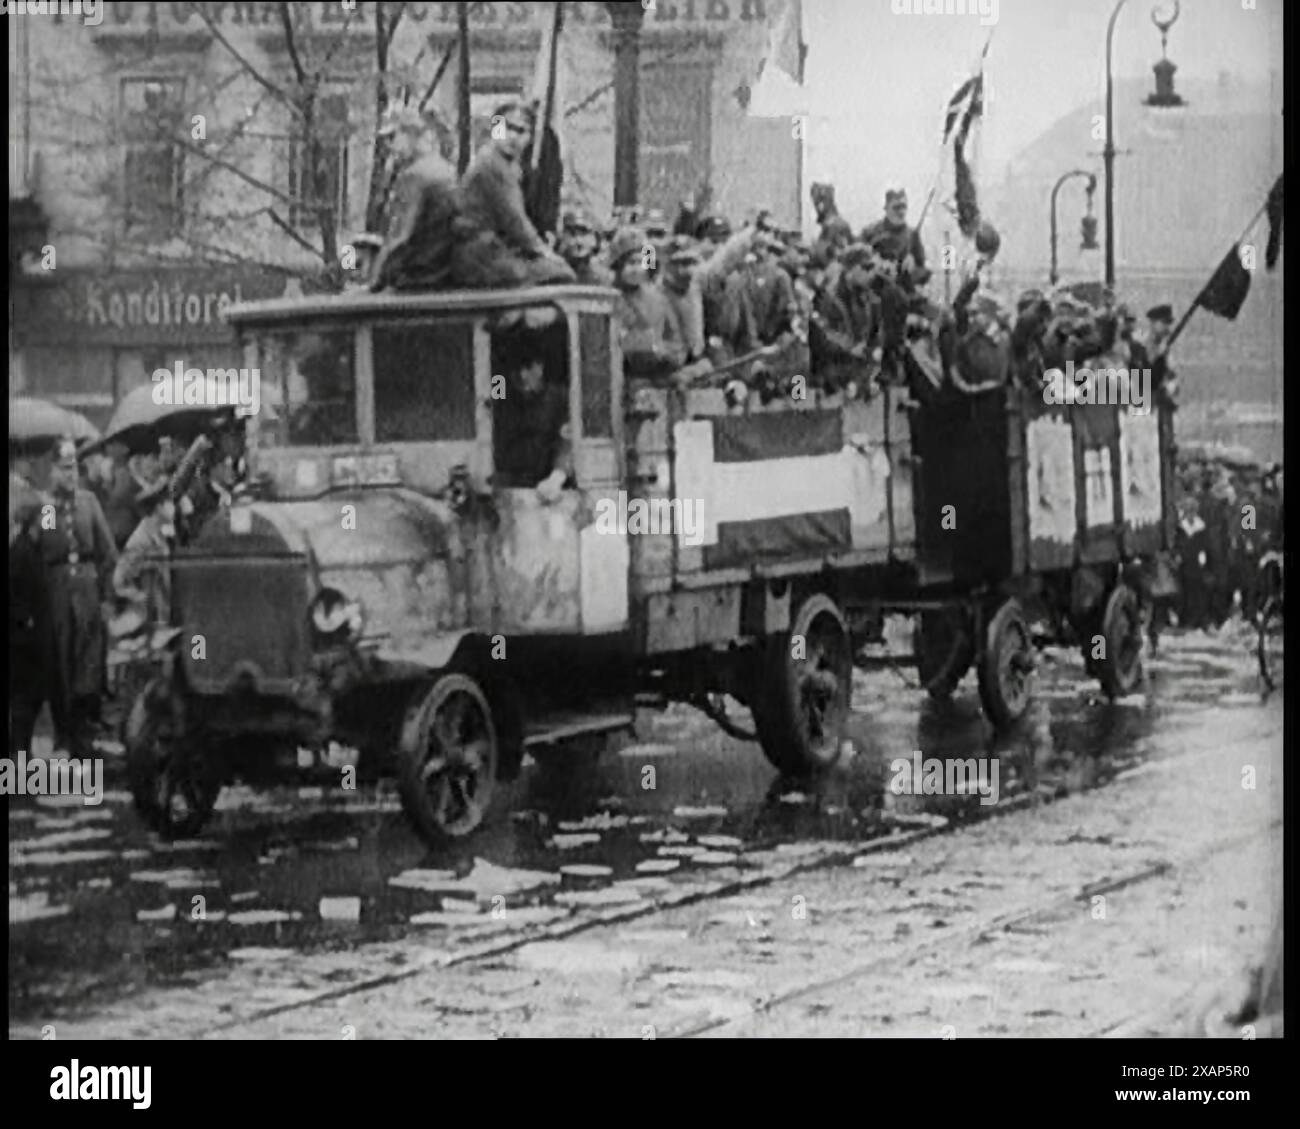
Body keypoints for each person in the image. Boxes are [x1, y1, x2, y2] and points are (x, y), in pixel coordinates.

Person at [25, 438, 117, 756]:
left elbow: (107, 553)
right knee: (59, 663)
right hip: (57, 594)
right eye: (64, 469)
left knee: (88, 665)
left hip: (88, 593)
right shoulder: (46, 507)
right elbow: (39, 552)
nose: (71, 475)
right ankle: (64, 732)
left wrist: (106, 598)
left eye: (74, 467)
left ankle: (84, 733)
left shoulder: (89, 502)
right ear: (52, 471)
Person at [459, 101, 575, 285]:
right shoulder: (492, 164)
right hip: (481, 254)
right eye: (507, 128)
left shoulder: (510, 165)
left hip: (495, 250)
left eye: (521, 131)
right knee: (560, 272)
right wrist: (542, 250)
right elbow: (514, 219)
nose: (512, 137)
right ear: (496, 128)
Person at [609, 226, 687, 378]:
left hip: (654, 375)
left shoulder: (659, 298)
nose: (636, 269)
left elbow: (676, 343)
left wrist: (663, 351)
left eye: (641, 262)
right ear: (618, 266)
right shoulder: (608, 298)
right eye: (631, 262)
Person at [493, 353, 571, 503]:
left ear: (540, 368)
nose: (523, 376)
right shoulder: (502, 394)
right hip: (514, 485)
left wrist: (558, 476)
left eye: (528, 368)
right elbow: (498, 438)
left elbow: (568, 440)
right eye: (517, 371)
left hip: (552, 487)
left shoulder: (558, 397)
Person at [113, 477, 174, 626]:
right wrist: (140, 598)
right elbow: (118, 580)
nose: (173, 507)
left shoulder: (158, 534)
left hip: (161, 616)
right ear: (158, 508)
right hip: (146, 620)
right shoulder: (140, 541)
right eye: (168, 503)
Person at [861, 188, 930, 289]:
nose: (901, 212)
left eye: (903, 207)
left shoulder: (913, 235)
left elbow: (923, 271)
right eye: (896, 207)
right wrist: (876, 263)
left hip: (902, 293)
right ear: (886, 207)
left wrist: (913, 268)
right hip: (874, 292)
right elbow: (855, 262)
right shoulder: (870, 232)